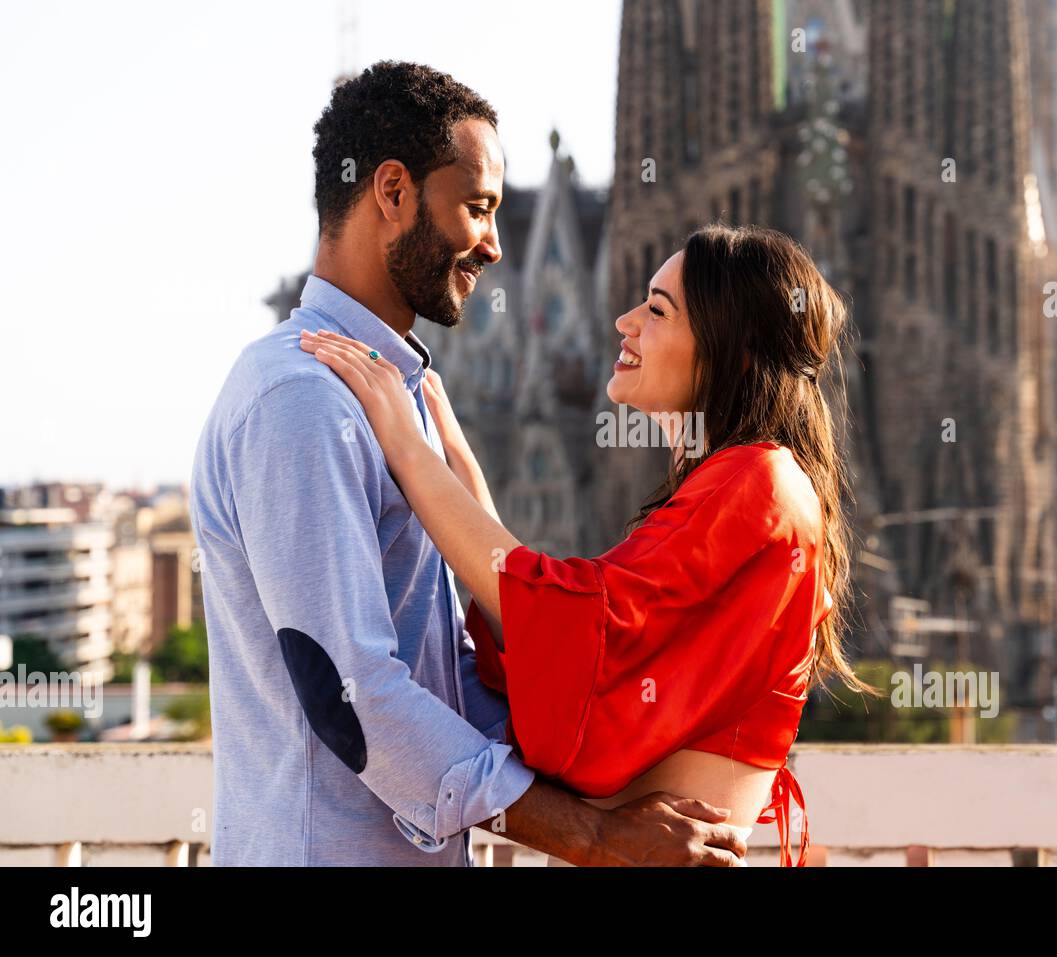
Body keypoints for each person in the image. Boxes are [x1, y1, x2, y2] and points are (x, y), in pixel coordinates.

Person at [189, 61, 746, 866]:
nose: (491, 241)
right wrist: (594, 835)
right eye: (478, 208)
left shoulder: (392, 396)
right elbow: (353, 698)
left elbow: (443, 677)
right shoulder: (300, 400)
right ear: (392, 193)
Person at [299, 223, 884, 867]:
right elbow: (584, 641)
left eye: (658, 310)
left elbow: (586, 630)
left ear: (736, 350)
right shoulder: (744, 481)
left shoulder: (760, 482)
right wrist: (462, 476)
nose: (625, 322)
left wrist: (410, 452)